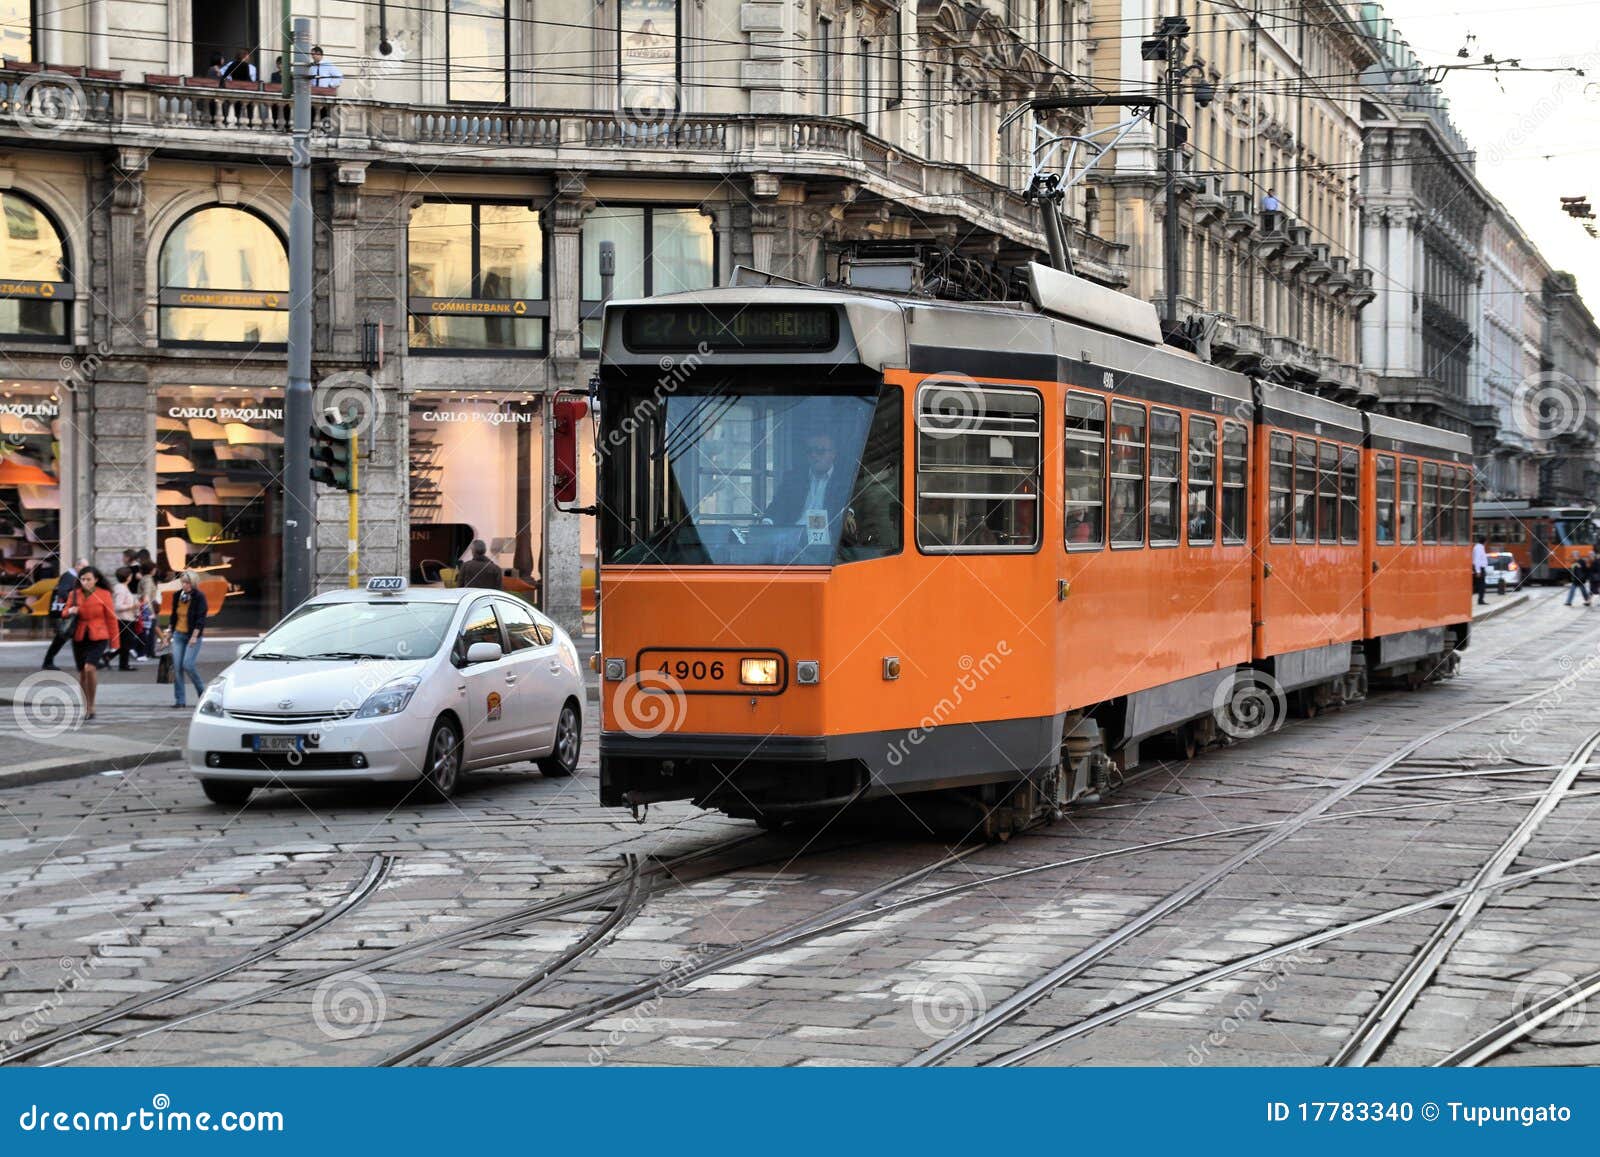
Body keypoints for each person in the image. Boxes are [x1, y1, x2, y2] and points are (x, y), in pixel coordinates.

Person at [765, 433, 855, 530]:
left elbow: (852, 506)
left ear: (833, 454)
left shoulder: (845, 480)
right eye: (809, 451)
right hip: (794, 537)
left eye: (820, 451)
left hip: (829, 539)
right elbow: (776, 507)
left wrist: (848, 514)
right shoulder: (793, 478)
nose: (813, 455)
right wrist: (766, 523)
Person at [67, 567, 118, 721]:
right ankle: (85, 706)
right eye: (82, 579)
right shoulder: (74, 594)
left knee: (90, 668)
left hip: (99, 636)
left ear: (96, 579)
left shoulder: (104, 594)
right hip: (79, 636)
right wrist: (70, 611)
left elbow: (111, 618)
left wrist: (115, 642)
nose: (85, 582)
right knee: (82, 673)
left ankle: (92, 705)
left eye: (89, 579)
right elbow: (63, 612)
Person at [170, 571, 209, 708]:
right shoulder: (177, 596)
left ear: (193, 583)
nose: (185, 585)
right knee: (177, 667)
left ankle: (203, 694)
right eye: (183, 582)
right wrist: (169, 634)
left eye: (187, 583)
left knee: (188, 665)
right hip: (178, 635)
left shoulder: (199, 597)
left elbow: (201, 618)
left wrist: (194, 636)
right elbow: (173, 616)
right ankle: (180, 700)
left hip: (193, 635)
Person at [40, 560, 80, 670]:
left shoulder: (71, 576)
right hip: (60, 612)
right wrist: (74, 603)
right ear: (78, 566)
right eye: (84, 566)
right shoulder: (69, 577)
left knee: (72, 636)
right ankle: (48, 661)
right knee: (62, 637)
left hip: (60, 611)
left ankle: (85, 660)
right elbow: (63, 592)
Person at [111, 567, 142, 671]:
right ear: (128, 577)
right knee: (126, 643)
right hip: (124, 619)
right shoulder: (120, 588)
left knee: (125, 643)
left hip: (128, 618)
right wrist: (132, 607)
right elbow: (118, 606)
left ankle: (116, 660)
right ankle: (123, 664)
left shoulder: (123, 587)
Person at [1471, 537, 1489, 606]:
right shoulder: (1479, 548)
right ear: (1485, 542)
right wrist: (1478, 571)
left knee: (1479, 585)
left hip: (1479, 568)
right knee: (1481, 585)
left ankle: (1480, 599)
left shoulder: (1479, 547)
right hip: (1479, 569)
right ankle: (1480, 600)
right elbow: (1477, 560)